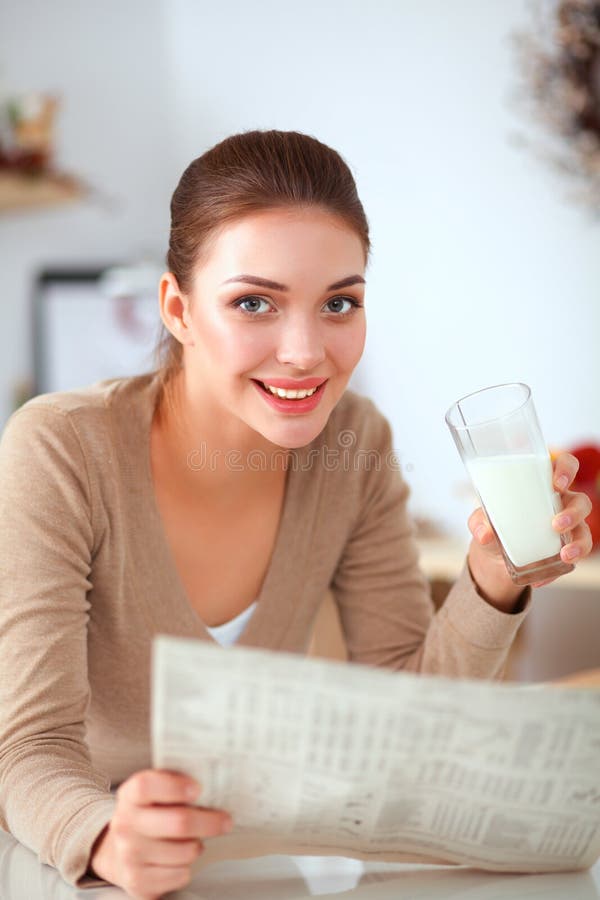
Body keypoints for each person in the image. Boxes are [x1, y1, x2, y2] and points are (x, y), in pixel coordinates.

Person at [0, 130, 593, 899]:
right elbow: (27, 747)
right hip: (73, 874)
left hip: (256, 872)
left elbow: (407, 719)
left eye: (339, 302)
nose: (306, 351)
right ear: (178, 309)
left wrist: (491, 581)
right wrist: (107, 835)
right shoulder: (62, 449)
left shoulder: (356, 444)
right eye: (254, 302)